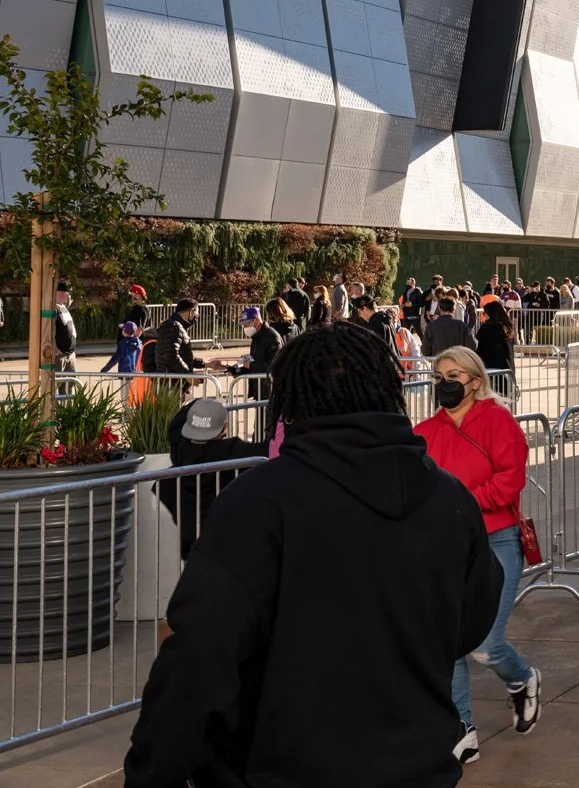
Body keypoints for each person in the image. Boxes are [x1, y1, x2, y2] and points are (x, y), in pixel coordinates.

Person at [122, 323, 504, 788]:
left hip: (285, 766)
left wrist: (152, 770)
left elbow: (198, 655)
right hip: (418, 762)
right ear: (389, 392)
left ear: (291, 403)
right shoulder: (451, 500)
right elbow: (471, 619)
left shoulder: (258, 502)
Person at [415, 345, 542, 763]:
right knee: (450, 642)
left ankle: (522, 680)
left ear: (474, 381)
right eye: (438, 377)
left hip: (497, 541)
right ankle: (463, 730)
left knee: (486, 644)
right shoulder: (424, 432)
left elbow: (510, 479)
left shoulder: (498, 421)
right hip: (447, 547)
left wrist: (462, 503)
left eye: (453, 376)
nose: (444, 384)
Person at [159, 395, 268, 559]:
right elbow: (269, 449)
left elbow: (175, 425)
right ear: (225, 427)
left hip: (189, 546)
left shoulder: (180, 450)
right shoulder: (234, 452)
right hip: (223, 546)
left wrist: (198, 407)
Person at [153, 299, 207, 379]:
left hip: (174, 380)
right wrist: (187, 375)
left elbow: (184, 357)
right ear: (191, 311)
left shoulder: (176, 326)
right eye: (197, 312)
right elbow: (171, 355)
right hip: (171, 381)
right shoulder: (173, 326)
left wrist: (205, 364)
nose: (197, 315)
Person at [477, 297, 517, 387]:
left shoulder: (489, 328)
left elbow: (483, 350)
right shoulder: (507, 327)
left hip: (494, 373)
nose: (483, 315)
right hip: (507, 371)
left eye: (484, 313)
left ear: (491, 313)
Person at [52, 279, 78, 373]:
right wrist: (54, 347)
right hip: (59, 355)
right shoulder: (54, 309)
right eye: (67, 293)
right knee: (56, 380)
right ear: (60, 293)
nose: (68, 295)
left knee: (70, 380)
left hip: (70, 353)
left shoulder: (63, 307)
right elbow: (50, 330)